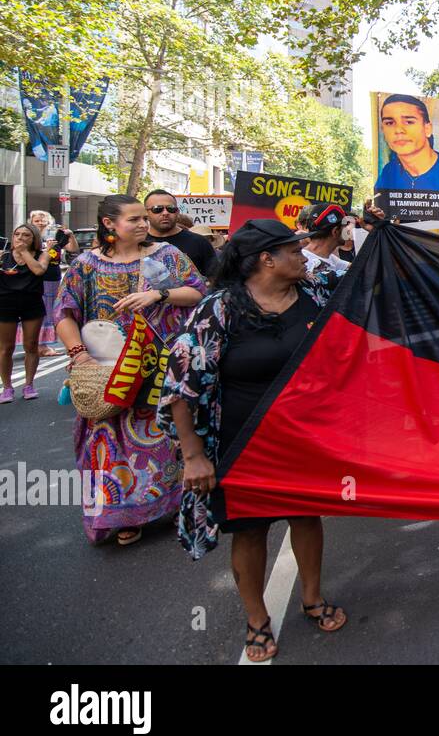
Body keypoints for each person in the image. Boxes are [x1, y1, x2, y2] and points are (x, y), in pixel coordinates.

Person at [162, 218, 352, 662]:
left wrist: (383, 231)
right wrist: (193, 457)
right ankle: (257, 620)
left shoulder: (315, 294)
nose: (304, 256)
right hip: (243, 441)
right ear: (267, 259)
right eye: (294, 250)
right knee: (249, 529)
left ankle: (312, 598)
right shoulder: (219, 309)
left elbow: (366, 296)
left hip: (304, 439)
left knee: (306, 516)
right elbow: (180, 388)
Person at [54, 194, 206, 545]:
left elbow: (197, 292)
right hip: (106, 369)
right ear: (109, 224)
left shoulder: (167, 256)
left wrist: (158, 295)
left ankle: (165, 506)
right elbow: (64, 313)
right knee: (108, 438)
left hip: (157, 368)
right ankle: (121, 513)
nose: (143, 224)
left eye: (144, 218)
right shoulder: (86, 265)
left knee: (162, 437)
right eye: (134, 219)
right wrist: (79, 356)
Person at [375, 94, 439, 193]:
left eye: (409, 122)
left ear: (427, 129)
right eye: (389, 123)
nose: (398, 130)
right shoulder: (389, 172)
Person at [0, 224, 51, 401]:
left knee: (31, 345)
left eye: (26, 235)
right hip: (6, 303)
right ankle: (7, 387)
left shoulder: (41, 255)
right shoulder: (3, 256)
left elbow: (38, 270)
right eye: (17, 234)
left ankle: (29, 385)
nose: (20, 238)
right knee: (6, 348)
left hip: (32, 303)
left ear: (33, 239)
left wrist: (25, 253)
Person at [26, 209, 75, 356]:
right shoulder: (28, 236)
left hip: (52, 277)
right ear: (31, 222)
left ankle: (42, 344)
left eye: (43, 220)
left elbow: (73, 249)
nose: (40, 223)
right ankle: (38, 345)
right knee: (38, 310)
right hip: (34, 277)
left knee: (50, 310)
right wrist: (46, 250)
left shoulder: (56, 236)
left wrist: (71, 236)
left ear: (49, 222)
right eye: (37, 220)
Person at [144, 189, 217, 277]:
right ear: (145, 213)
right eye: (157, 209)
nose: (165, 213)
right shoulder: (136, 242)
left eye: (171, 208)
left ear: (177, 212)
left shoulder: (199, 242)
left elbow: (215, 280)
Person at [297, 202, 351, 276]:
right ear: (335, 231)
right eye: (345, 227)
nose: (348, 230)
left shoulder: (330, 258)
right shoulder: (302, 262)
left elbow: (358, 269)